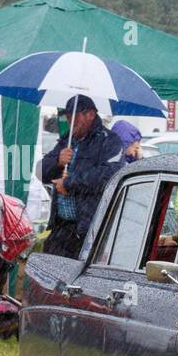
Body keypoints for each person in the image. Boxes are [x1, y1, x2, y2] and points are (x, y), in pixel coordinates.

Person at [39, 95, 124, 259]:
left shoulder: (109, 141)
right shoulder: (66, 140)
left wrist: (69, 183)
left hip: (90, 229)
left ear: (90, 114)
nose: (70, 121)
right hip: (61, 229)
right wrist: (57, 161)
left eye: (75, 116)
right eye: (68, 117)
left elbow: (109, 175)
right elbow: (40, 172)